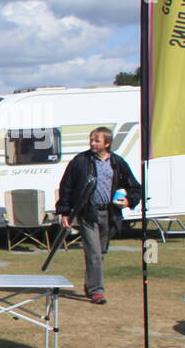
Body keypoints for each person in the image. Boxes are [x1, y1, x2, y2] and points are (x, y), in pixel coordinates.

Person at [56, 126, 142, 305]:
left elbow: (135, 187)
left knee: (100, 252)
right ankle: (97, 291)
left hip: (109, 213)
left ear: (107, 143)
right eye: (91, 140)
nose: (92, 143)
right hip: (88, 213)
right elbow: (67, 186)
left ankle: (90, 285)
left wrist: (129, 200)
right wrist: (64, 211)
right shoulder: (80, 161)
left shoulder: (117, 162)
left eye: (97, 140)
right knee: (94, 253)